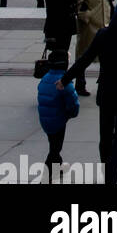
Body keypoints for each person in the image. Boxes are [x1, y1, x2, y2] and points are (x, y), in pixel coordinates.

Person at [60, 0, 117, 186]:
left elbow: (85, 59)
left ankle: (106, 170)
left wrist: (66, 79)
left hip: (107, 91)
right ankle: (111, 177)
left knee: (105, 137)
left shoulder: (102, 34)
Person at [73, 0, 115, 97]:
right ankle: (80, 85)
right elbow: (79, 6)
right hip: (90, 26)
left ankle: (104, 84)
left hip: (106, 22)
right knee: (84, 56)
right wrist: (87, 17)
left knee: (107, 57)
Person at [38, 47, 80, 181]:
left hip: (46, 119)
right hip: (58, 120)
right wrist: (71, 114)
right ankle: (46, 174)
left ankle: (59, 166)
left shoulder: (45, 78)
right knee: (55, 148)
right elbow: (73, 103)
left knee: (53, 143)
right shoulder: (64, 83)